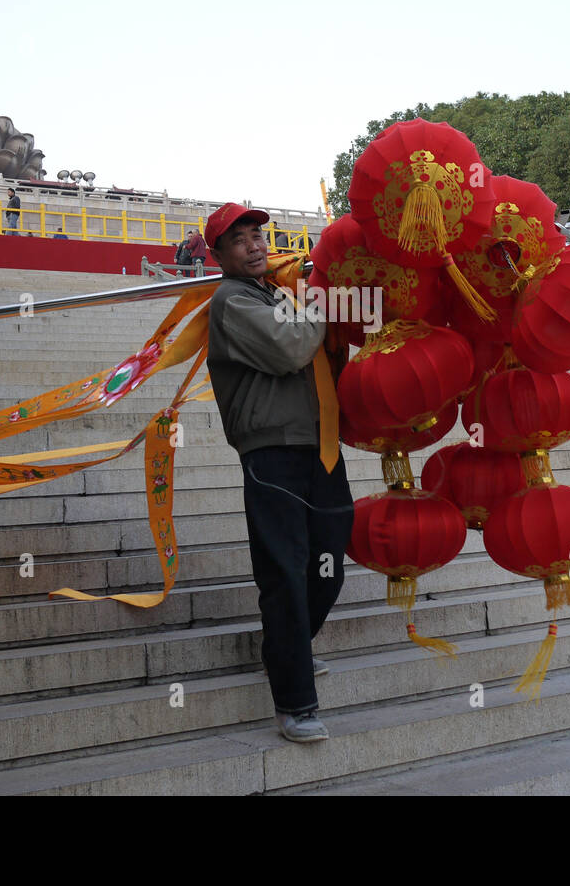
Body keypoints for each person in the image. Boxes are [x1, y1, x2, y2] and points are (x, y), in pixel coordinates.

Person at [205, 202, 354, 743]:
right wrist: (314, 298)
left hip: (320, 447)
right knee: (285, 573)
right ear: (217, 253)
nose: (254, 245)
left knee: (327, 566)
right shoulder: (232, 301)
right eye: (238, 239)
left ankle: (286, 651)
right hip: (272, 452)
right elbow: (293, 346)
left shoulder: (277, 293)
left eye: (257, 235)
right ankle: (294, 701)